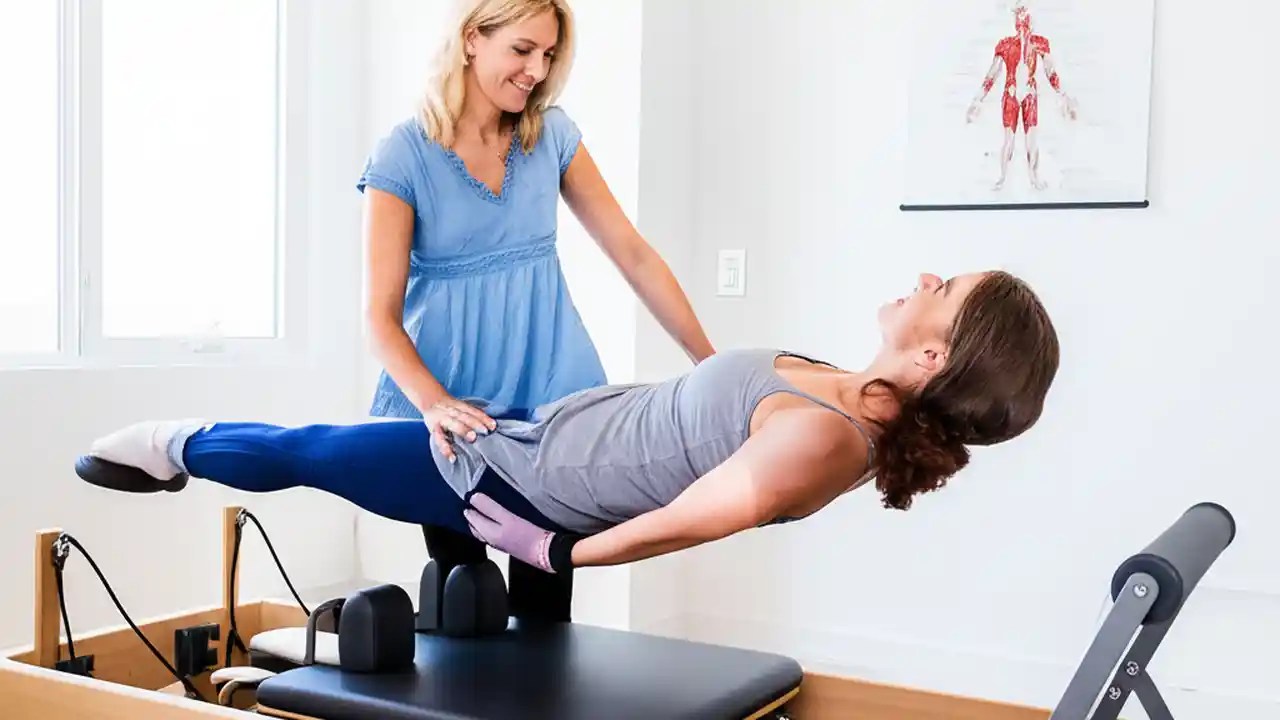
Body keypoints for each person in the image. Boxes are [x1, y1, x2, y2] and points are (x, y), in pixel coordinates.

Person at [77, 271, 1059, 575]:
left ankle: (173, 445)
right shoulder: (848, 399)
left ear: (931, 358)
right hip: (531, 435)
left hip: (517, 485)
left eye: (947, 288)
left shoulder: (825, 439)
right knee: (443, 587)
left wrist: (554, 551)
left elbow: (700, 517)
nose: (926, 277)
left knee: (312, 452)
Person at [361, 0, 714, 459]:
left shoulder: (551, 135)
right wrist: (437, 403)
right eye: (522, 50)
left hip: (557, 389)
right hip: (451, 403)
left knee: (582, 531)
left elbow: (634, 254)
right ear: (471, 40)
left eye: (547, 54)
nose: (537, 70)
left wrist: (709, 365)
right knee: (464, 530)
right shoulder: (402, 155)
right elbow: (379, 319)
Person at [965, 3, 1078, 191]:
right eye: (1020, 17)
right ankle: (1003, 177)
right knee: (1009, 139)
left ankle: (1033, 178)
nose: (1024, 22)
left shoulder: (1039, 43)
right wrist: (978, 99)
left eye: (1026, 17)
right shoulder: (1006, 44)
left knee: (1031, 140)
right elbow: (991, 75)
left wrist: (1064, 95)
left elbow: (1051, 73)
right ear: (1016, 21)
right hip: (1011, 93)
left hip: (1029, 94)